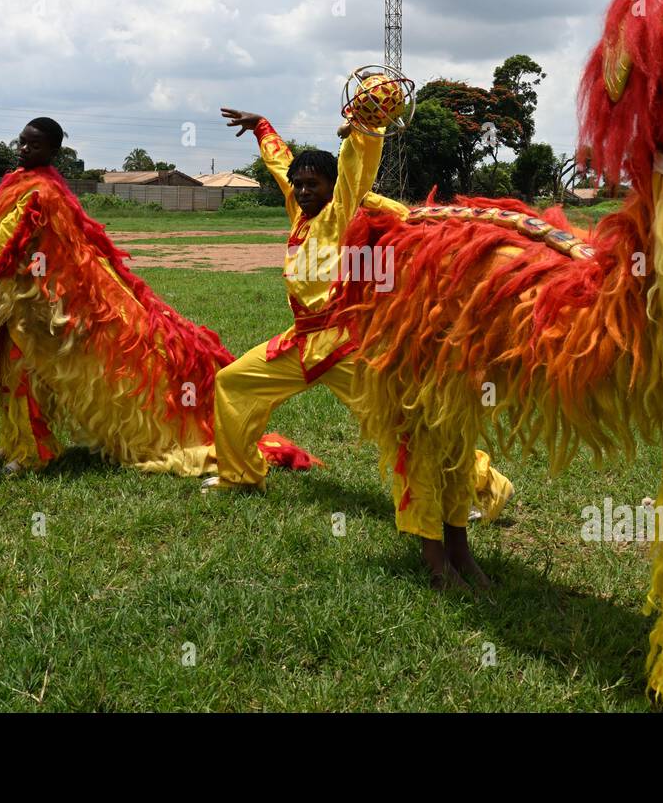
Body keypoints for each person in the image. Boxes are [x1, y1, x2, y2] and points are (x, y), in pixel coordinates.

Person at [203, 107, 514, 589]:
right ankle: (239, 473)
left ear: (332, 188)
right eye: (300, 185)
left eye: (314, 185)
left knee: (406, 427)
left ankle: (482, 486)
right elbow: (280, 164)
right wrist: (263, 127)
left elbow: (355, 169)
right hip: (300, 342)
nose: (304, 191)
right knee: (232, 382)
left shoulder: (341, 211)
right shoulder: (297, 211)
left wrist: (367, 127)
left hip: (347, 348)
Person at [0, 117, 239, 475]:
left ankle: (31, 453)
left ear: (53, 151)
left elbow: (3, 242)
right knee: (15, 373)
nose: (23, 150)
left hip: (43, 306)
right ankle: (19, 444)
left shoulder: (40, 191)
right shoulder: (31, 184)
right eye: (21, 142)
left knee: (22, 374)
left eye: (33, 145)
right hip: (25, 299)